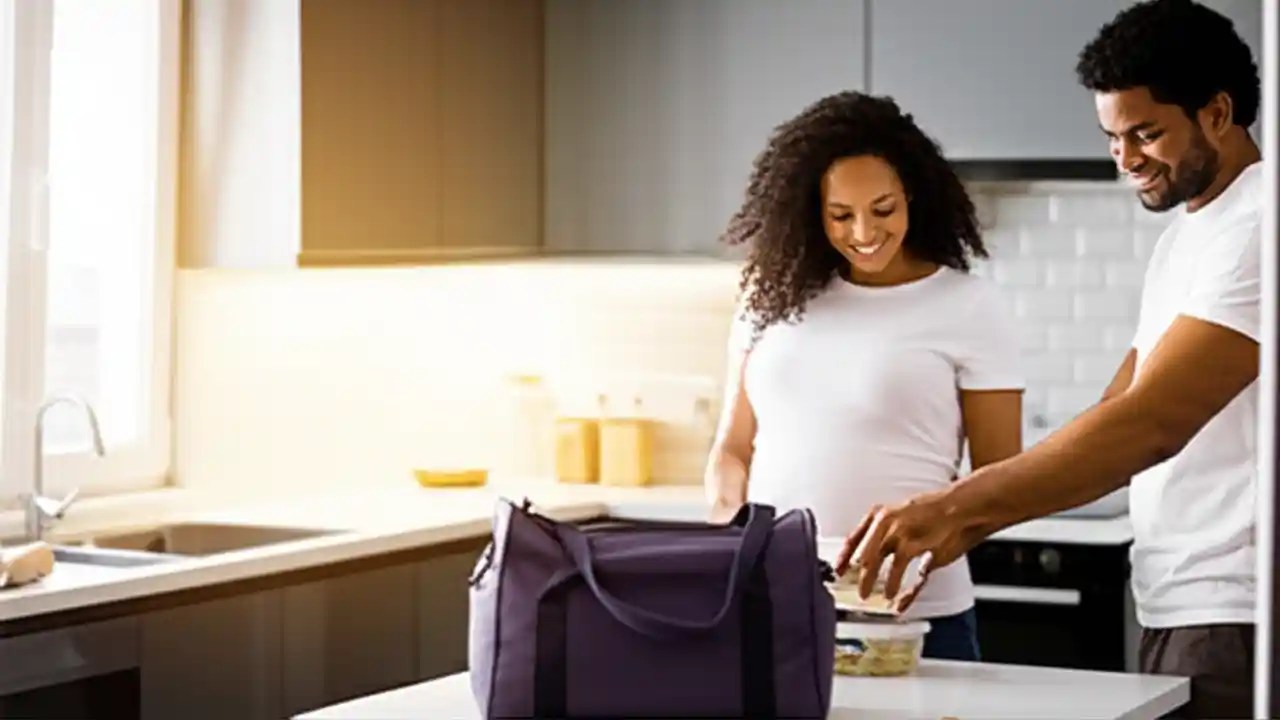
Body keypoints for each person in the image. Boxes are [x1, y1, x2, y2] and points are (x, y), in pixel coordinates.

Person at [836, 1, 1263, 716]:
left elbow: (1153, 422)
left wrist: (958, 506)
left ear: (1217, 113)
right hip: (1182, 599)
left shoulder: (1258, 227)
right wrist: (968, 518)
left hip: (1233, 604)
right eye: (1112, 138)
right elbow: (1115, 411)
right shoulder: (1192, 235)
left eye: (1146, 134)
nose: (1126, 160)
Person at [703, 90, 1025, 662]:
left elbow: (1000, 481)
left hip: (912, 619)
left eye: (883, 210)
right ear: (809, 211)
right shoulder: (766, 296)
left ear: (914, 197)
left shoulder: (968, 304)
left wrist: (919, 555)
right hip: (776, 602)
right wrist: (734, 538)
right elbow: (732, 449)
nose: (863, 232)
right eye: (839, 215)